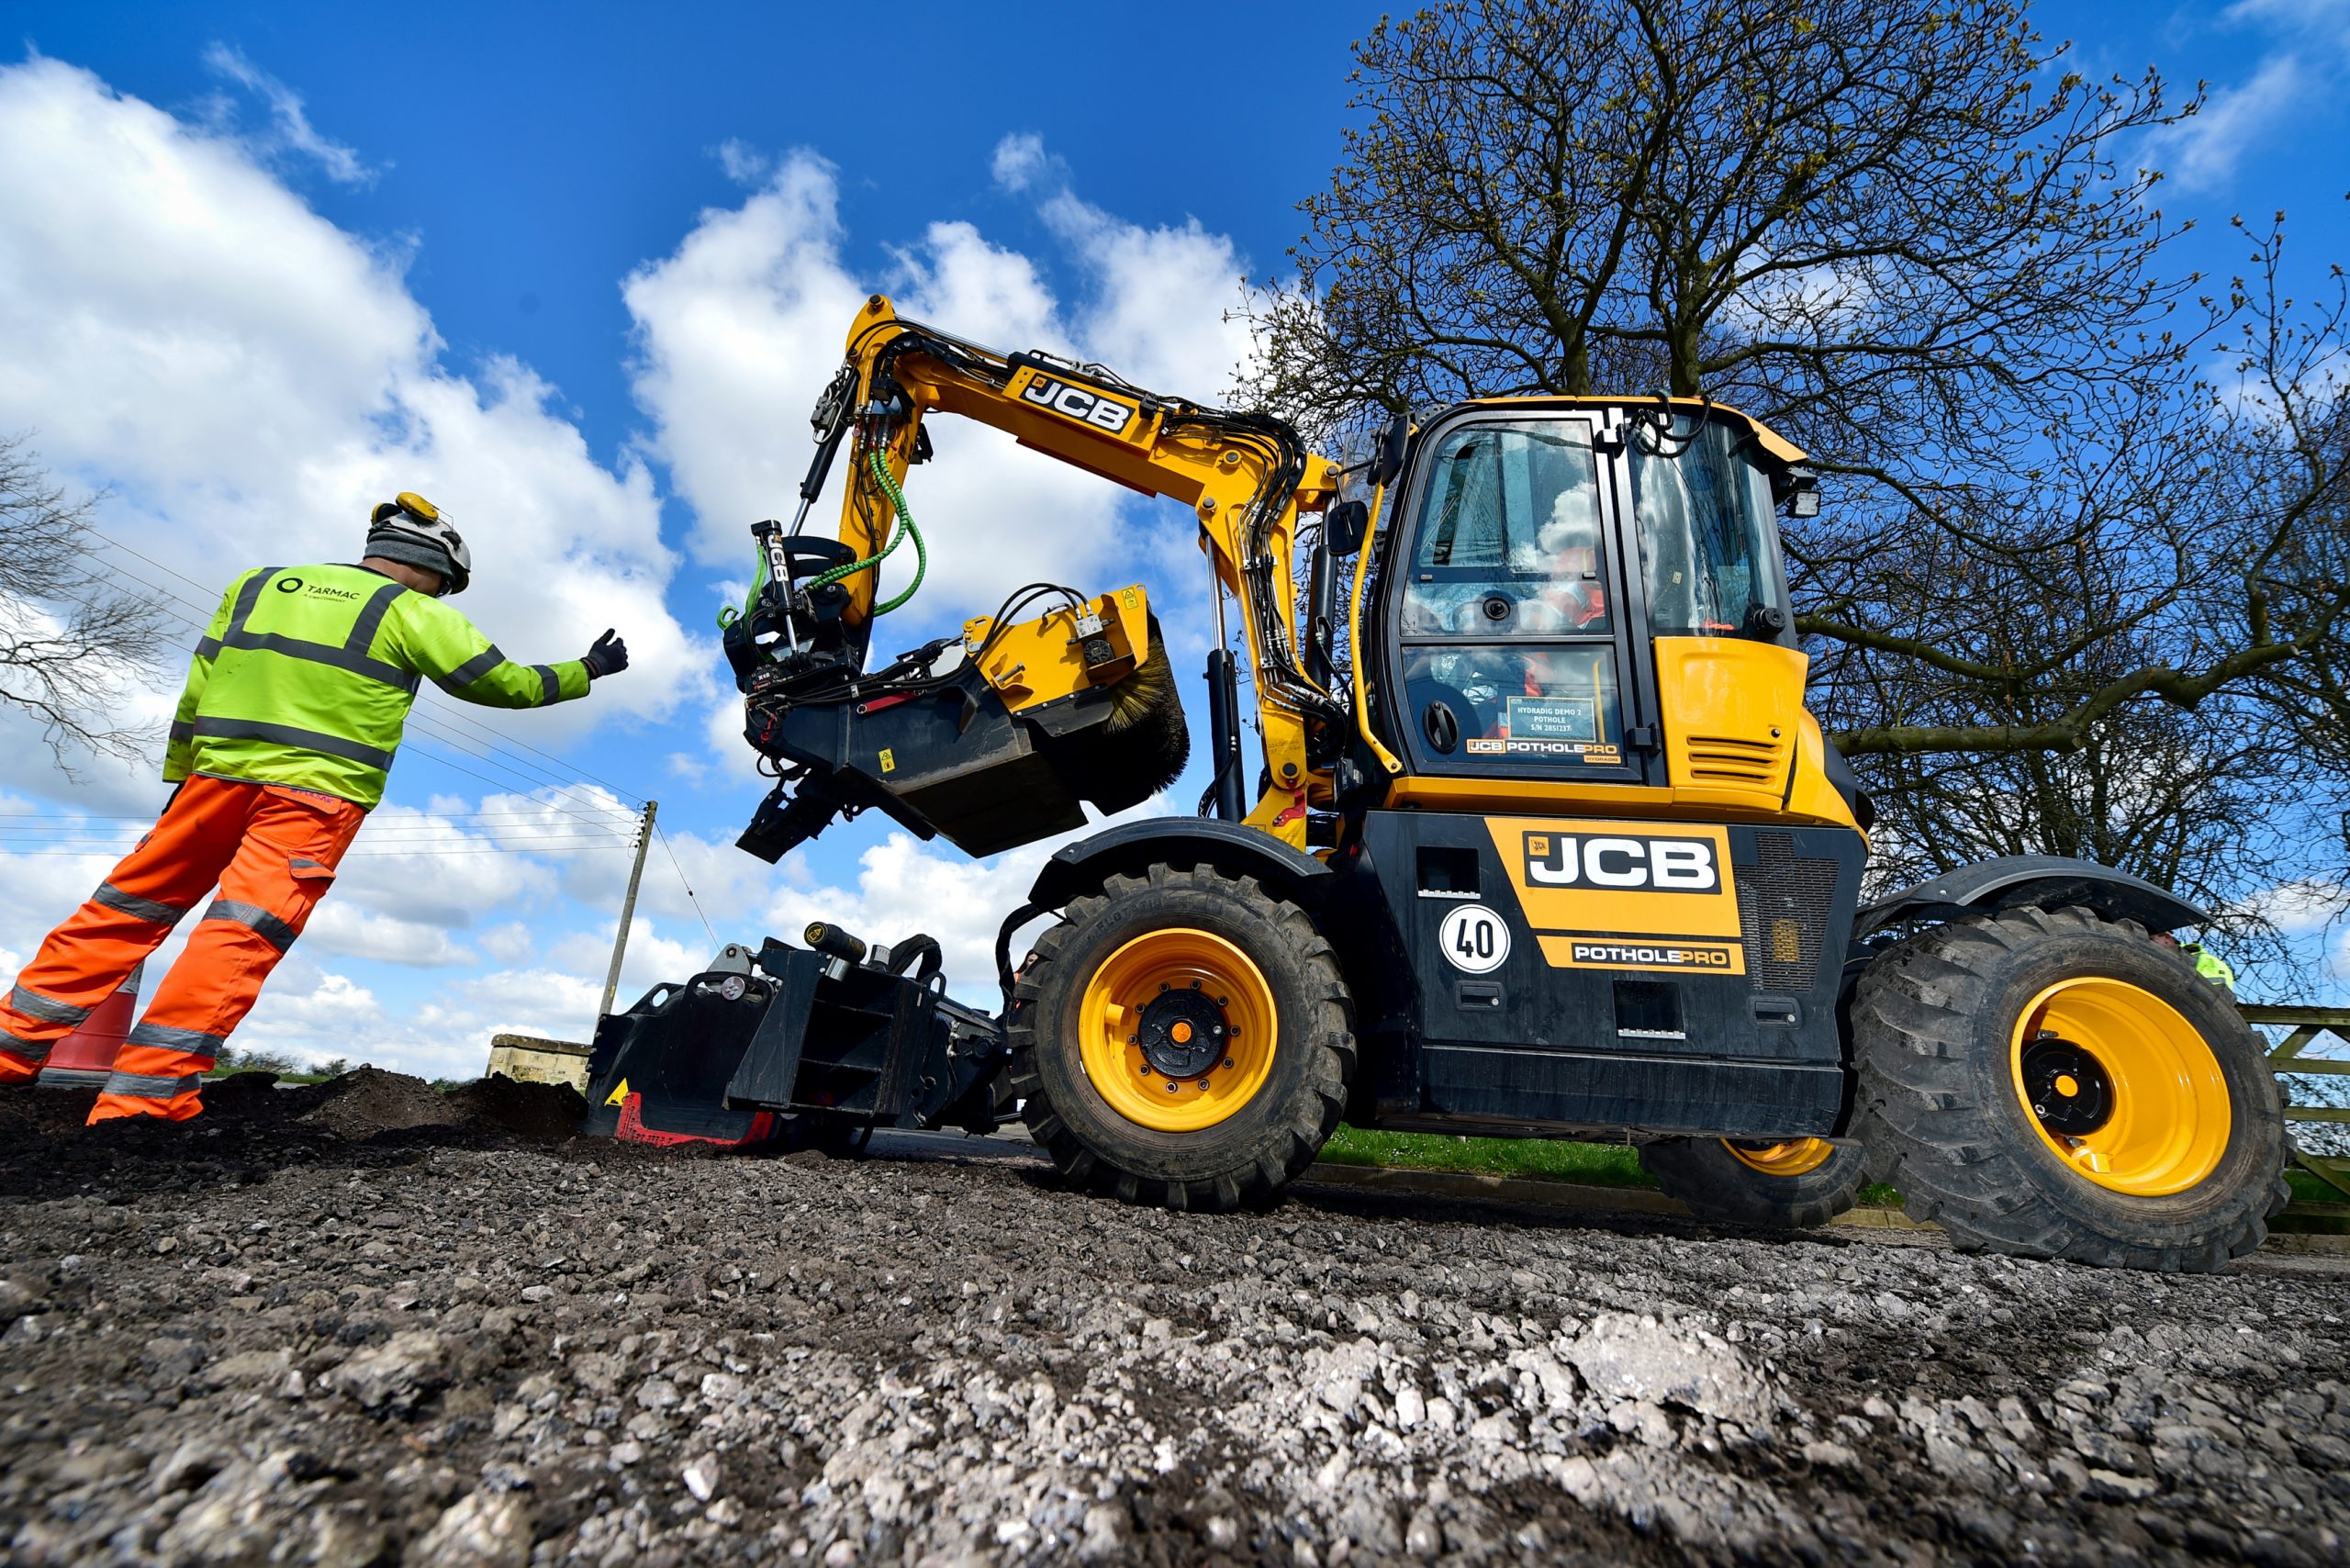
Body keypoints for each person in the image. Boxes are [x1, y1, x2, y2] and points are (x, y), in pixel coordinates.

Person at [0, 493, 631, 1124]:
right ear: (432, 565)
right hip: (312, 798)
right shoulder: (410, 611)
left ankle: (8, 1056)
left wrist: (182, 776)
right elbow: (504, 683)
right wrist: (589, 668)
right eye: (445, 584)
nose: (440, 595)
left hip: (211, 780)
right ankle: (142, 1104)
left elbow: (199, 683)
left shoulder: (258, 585)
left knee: (120, 912)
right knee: (237, 936)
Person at [2153, 932, 2236, 993]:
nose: (2149, 945)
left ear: (2166, 938)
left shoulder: (2209, 962)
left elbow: (2208, 1001)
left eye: (2151, 940)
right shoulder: (2179, 960)